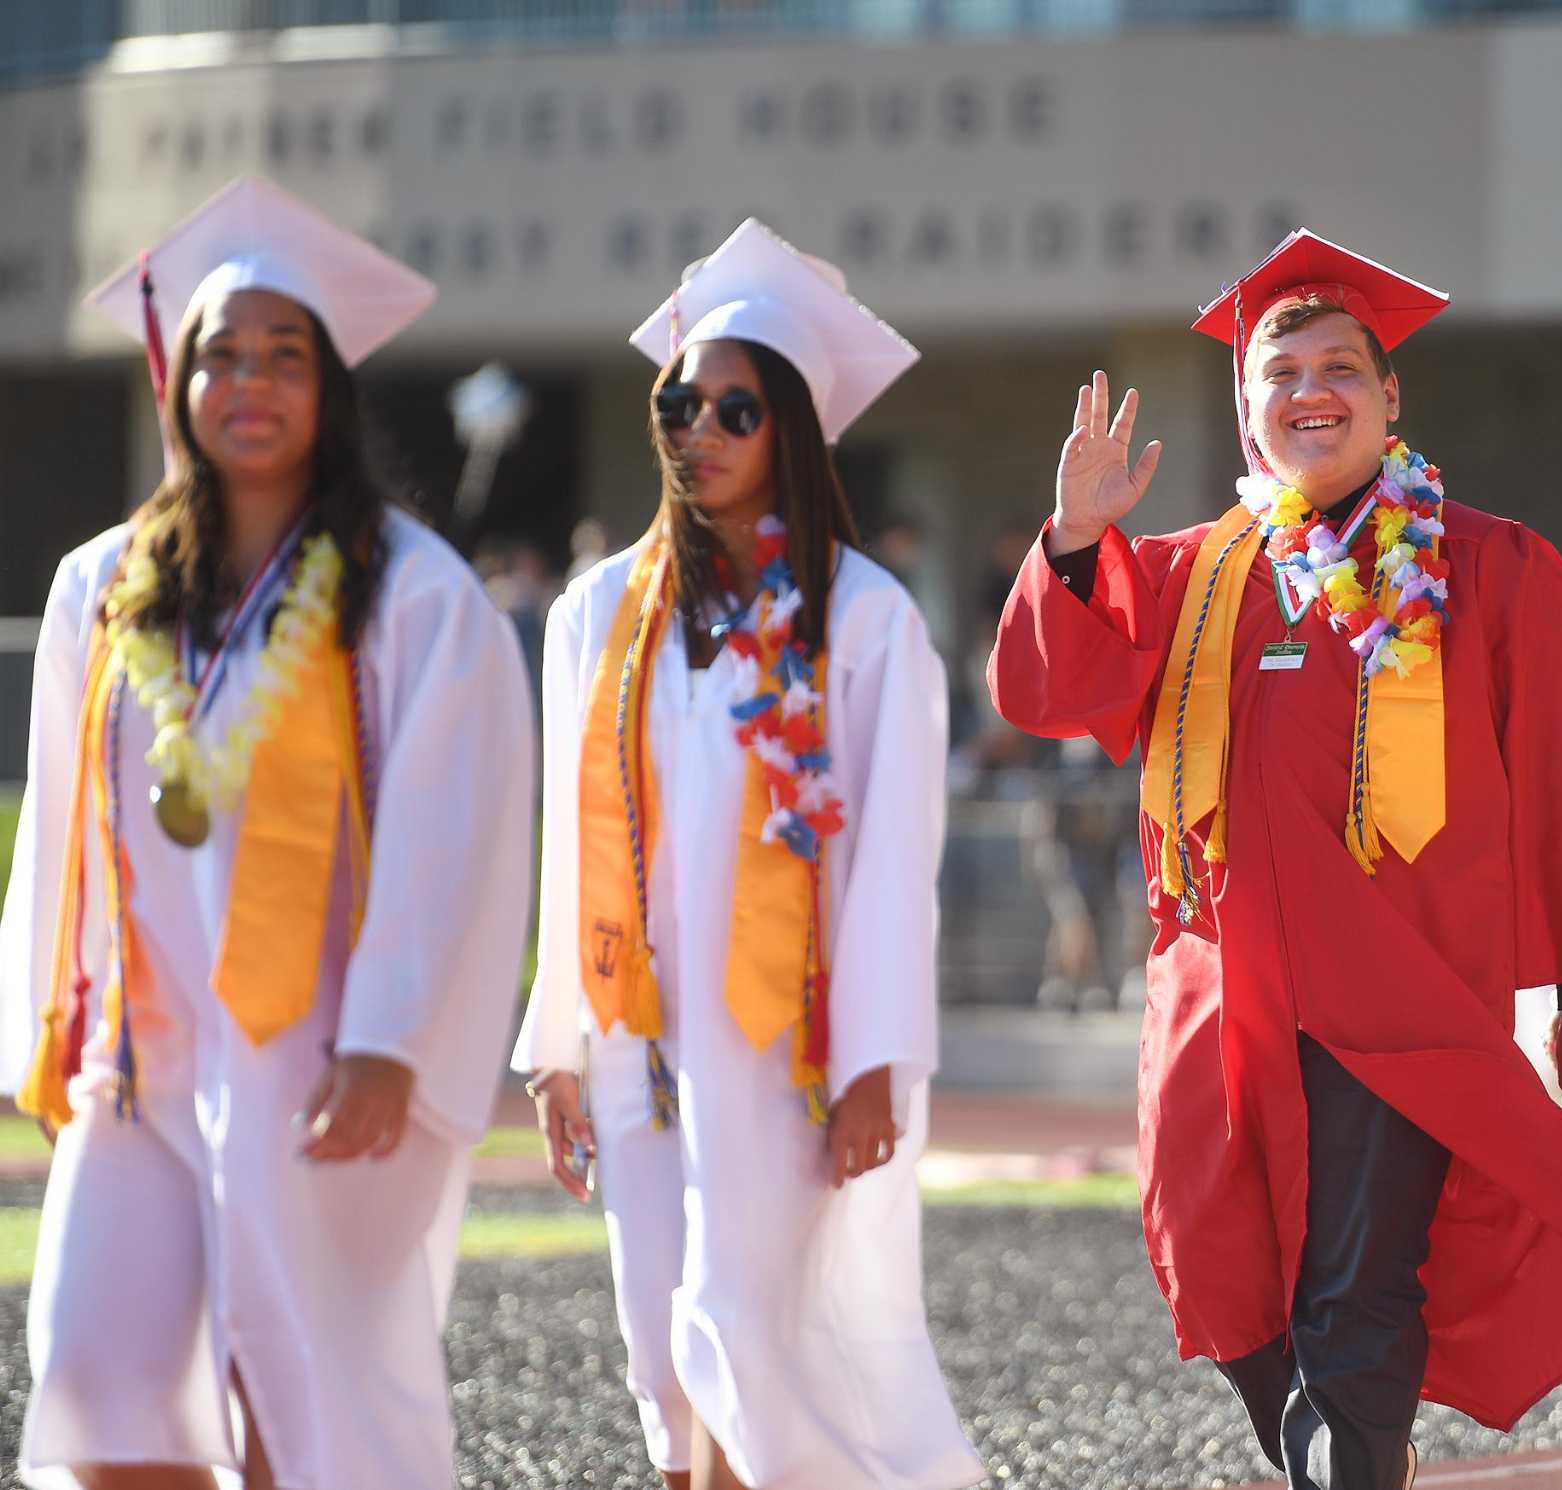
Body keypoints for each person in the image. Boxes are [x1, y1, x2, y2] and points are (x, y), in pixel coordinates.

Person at [987, 228, 1562, 1490]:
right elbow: (1048, 688)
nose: (1310, 393)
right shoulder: (1189, 571)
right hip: (1220, 1000)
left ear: (1391, 397)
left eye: (1340, 367)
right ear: (1246, 409)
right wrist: (1073, 538)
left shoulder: (1490, 569)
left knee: (1356, 1291)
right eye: (1279, 375)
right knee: (1227, 1270)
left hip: (1402, 999)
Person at [0, 176, 536, 1489]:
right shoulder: (102, 586)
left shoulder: (408, 592)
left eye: (285, 355)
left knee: (304, 1414)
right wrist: (46, 1031)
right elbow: (62, 822)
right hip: (141, 1064)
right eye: (221, 354)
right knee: (101, 1390)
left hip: (315, 1063)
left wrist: (391, 1042)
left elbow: (448, 834)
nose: (252, 381)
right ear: (175, 380)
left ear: (331, 390)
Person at [512, 220, 982, 1490]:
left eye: (735, 407)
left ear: (790, 428)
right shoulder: (598, 610)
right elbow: (570, 833)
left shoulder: (862, 619)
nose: (699, 430)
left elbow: (894, 856)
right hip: (635, 1034)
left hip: (792, 1046)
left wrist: (882, 1057)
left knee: (739, 1322)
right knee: (659, 1346)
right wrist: (557, 1040)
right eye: (680, 400)